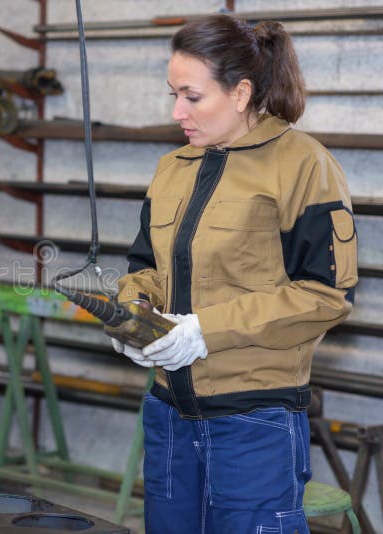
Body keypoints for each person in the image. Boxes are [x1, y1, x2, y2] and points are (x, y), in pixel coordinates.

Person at [110, 14, 357, 533]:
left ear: (241, 92)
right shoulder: (172, 167)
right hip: (170, 414)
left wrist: (204, 331)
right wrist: (134, 314)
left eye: (191, 97)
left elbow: (325, 295)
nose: (177, 111)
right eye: (173, 93)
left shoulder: (302, 165)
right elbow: (147, 267)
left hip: (254, 421)